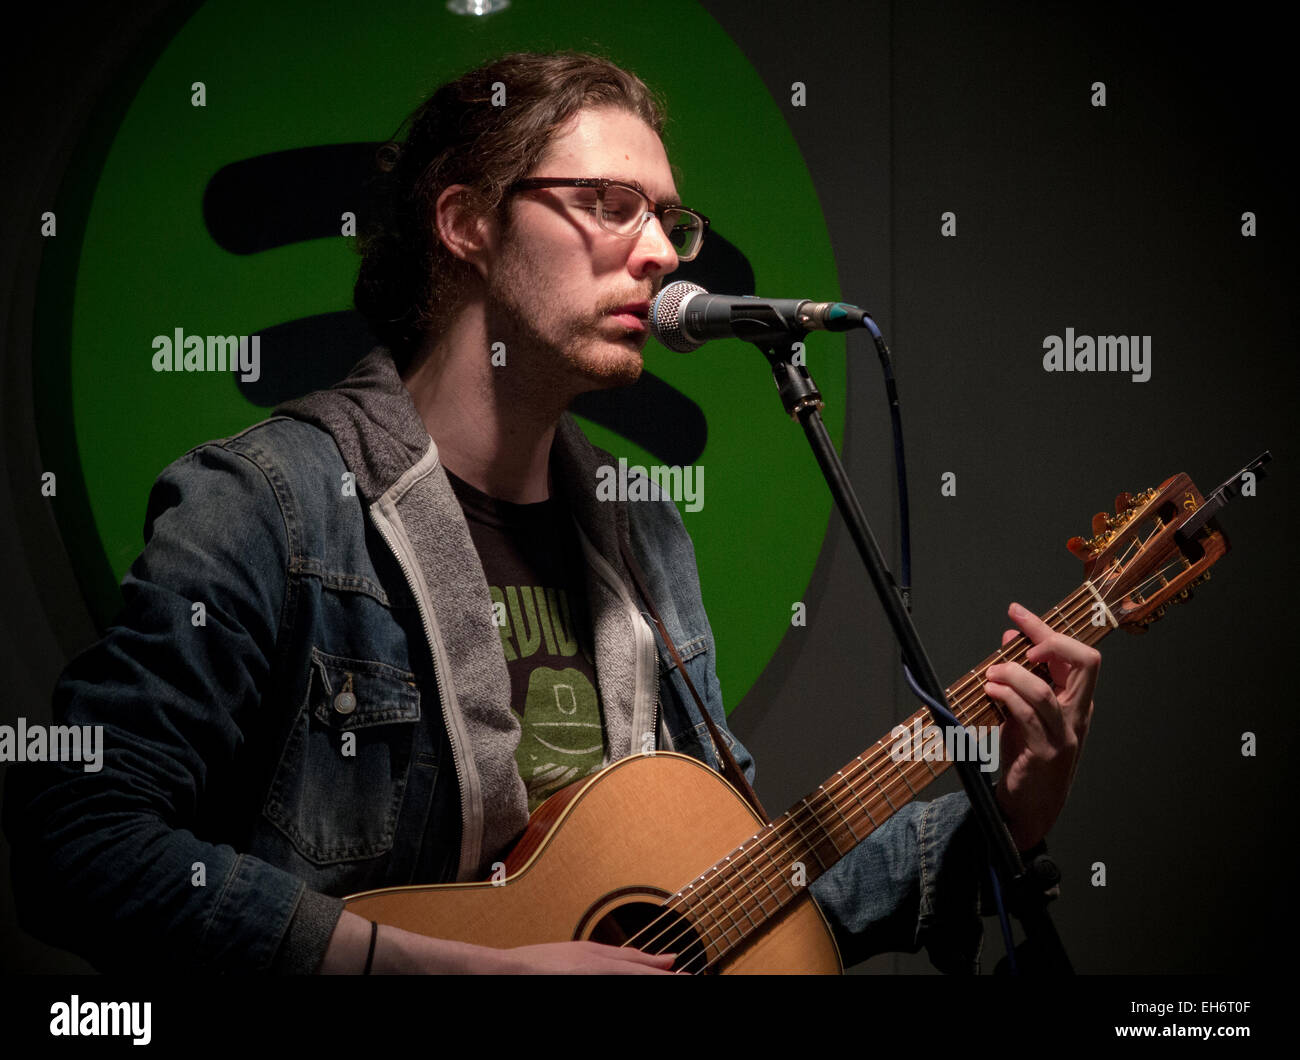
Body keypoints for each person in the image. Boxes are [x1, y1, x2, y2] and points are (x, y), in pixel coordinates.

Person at [5, 51, 1098, 975]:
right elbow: (75, 841)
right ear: (467, 223)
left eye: (670, 220)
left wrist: (995, 817)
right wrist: (456, 973)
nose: (663, 254)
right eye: (611, 206)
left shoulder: (644, 538)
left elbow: (736, 903)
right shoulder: (266, 508)